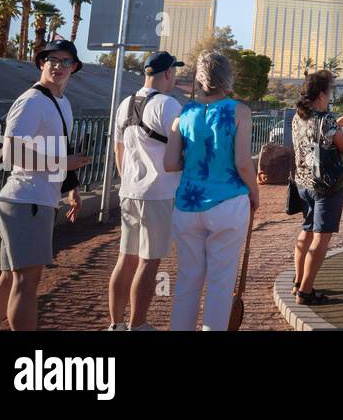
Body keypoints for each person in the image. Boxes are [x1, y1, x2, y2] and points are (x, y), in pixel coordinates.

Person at [0, 40, 90, 331]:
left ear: (74, 67)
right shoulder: (32, 100)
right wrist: (64, 165)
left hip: (34, 201)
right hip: (26, 202)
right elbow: (10, 153)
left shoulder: (62, 102)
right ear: (41, 63)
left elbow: (58, 148)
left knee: (10, 280)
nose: (58, 66)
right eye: (52, 59)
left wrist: (71, 186)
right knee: (27, 282)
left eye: (66, 61)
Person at [165, 51, 258, 331]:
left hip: (187, 205)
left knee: (188, 279)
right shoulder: (239, 111)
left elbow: (170, 163)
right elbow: (242, 163)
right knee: (220, 281)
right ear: (227, 78)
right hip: (228, 203)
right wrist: (255, 192)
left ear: (200, 79)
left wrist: (195, 162)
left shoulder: (184, 113)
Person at [107, 51, 184, 331]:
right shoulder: (168, 105)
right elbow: (181, 151)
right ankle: (138, 324)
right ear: (167, 74)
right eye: (174, 71)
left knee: (125, 258)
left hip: (129, 190)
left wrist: (128, 178)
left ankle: (115, 323)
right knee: (149, 262)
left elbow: (119, 150)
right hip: (159, 193)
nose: (174, 76)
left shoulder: (125, 104)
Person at [290, 70, 343, 306]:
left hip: (303, 182)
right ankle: (306, 292)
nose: (333, 94)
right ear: (321, 94)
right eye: (331, 89)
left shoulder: (299, 116)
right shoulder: (326, 119)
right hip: (326, 185)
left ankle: (299, 282)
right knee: (321, 238)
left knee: (307, 231)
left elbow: (315, 139)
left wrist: (338, 125)